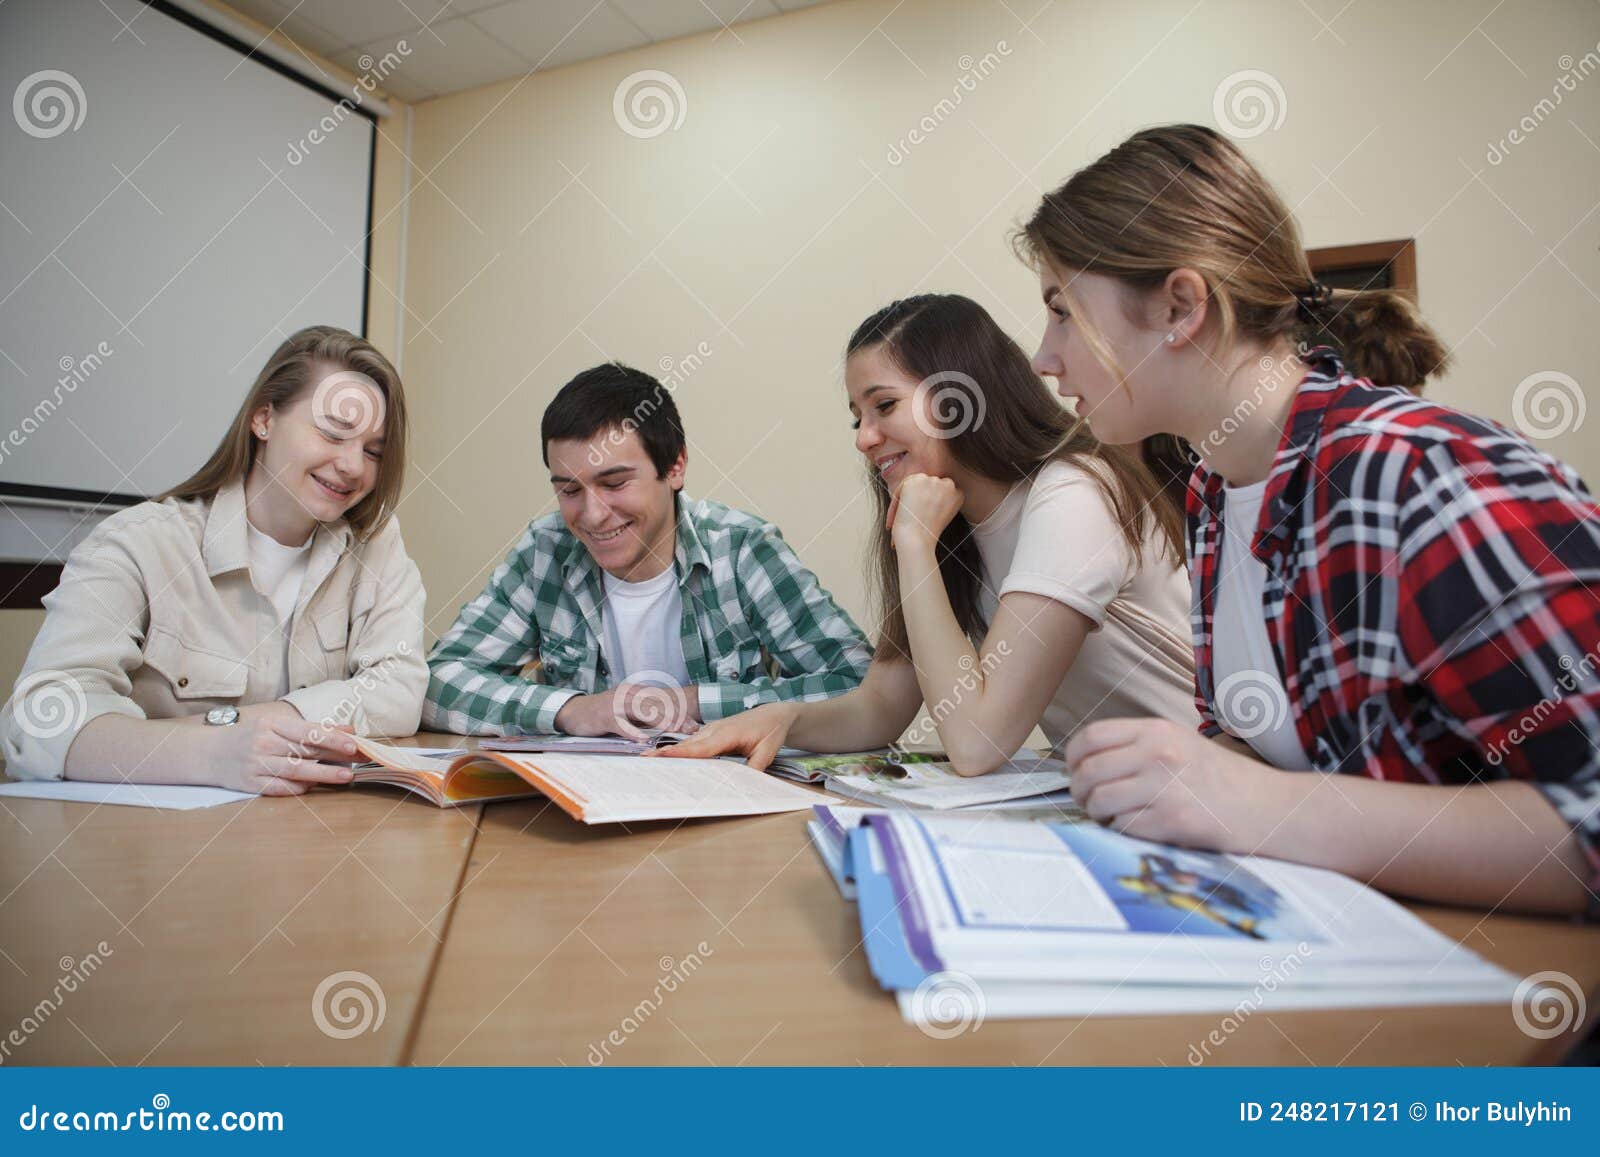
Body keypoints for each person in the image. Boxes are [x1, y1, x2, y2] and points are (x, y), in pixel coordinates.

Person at [1020, 123, 1597, 917]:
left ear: (1180, 306)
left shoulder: (1423, 473)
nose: (1044, 358)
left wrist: (1267, 805)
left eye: (1060, 311)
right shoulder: (1215, 493)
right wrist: (1188, 772)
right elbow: (1277, 744)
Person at [665, 294, 1199, 775]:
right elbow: (880, 708)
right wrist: (782, 718)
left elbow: (977, 744)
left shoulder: (1073, 493)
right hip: (1124, 798)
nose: (865, 439)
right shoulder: (949, 525)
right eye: (857, 418)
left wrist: (915, 545)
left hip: (1207, 802)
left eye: (884, 406)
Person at [1, 326, 427, 795]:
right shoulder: (139, 542)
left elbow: (400, 685)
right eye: (332, 432)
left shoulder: (376, 542)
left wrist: (263, 725)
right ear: (263, 419)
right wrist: (210, 751)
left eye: (373, 451)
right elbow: (38, 722)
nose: (352, 465)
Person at [424, 362, 871, 737]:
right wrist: (572, 709)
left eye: (615, 483)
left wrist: (694, 703)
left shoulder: (742, 549)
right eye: (568, 490)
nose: (593, 515)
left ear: (674, 467)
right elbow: (437, 682)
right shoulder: (545, 550)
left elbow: (858, 686)